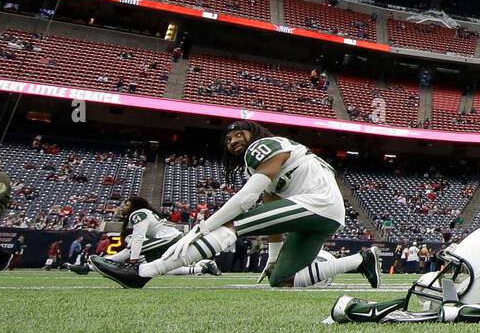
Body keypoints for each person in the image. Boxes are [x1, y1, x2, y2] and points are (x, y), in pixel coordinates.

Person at [93, 120, 378, 290]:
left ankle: (144, 273)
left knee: (231, 226)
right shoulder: (263, 164)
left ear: (253, 133)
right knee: (282, 280)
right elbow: (272, 210)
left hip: (316, 203)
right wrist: (272, 258)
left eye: (238, 135)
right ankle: (360, 260)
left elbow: (244, 201)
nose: (232, 141)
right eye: (228, 139)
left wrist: (201, 228)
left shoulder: (262, 147)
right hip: (326, 212)